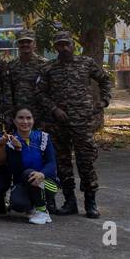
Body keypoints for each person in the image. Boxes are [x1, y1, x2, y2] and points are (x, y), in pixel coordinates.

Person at [38, 30, 111, 218]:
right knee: (62, 163)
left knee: (86, 161)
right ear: (55, 47)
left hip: (82, 122)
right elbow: (40, 93)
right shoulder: (49, 69)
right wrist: (54, 108)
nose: (63, 48)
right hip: (58, 124)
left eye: (66, 44)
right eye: (59, 45)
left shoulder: (86, 63)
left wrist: (103, 101)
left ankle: (90, 202)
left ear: (73, 44)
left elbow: (104, 79)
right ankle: (70, 201)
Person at [0, 106, 59, 224]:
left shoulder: (43, 137)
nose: (25, 122)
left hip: (47, 183)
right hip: (24, 183)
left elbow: (52, 163)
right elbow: (16, 172)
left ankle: (42, 211)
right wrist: (17, 150)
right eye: (20, 118)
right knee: (18, 204)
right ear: (14, 121)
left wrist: (42, 174)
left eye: (29, 118)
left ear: (33, 120)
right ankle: (33, 207)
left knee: (31, 174)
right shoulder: (10, 141)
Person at [7, 30, 47, 125]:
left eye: (28, 42)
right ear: (17, 44)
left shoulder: (44, 64)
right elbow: (8, 91)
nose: (25, 44)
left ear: (34, 44)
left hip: (40, 114)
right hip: (19, 115)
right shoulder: (11, 65)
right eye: (21, 42)